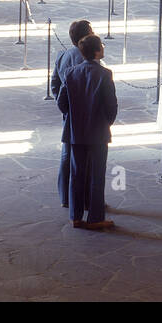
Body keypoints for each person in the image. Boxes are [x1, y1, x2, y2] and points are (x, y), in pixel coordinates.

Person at [57, 34, 118, 230]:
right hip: (98, 132)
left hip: (75, 132)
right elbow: (111, 106)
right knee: (96, 175)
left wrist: (74, 118)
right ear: (97, 51)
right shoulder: (105, 74)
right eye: (102, 45)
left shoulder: (71, 73)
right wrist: (106, 123)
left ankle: (75, 216)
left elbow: (62, 103)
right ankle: (95, 217)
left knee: (76, 174)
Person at [50, 19, 93, 209]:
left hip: (68, 115)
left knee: (67, 155)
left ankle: (65, 197)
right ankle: (84, 200)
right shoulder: (86, 58)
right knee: (86, 159)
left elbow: (55, 85)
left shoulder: (62, 56)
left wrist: (65, 109)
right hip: (86, 116)